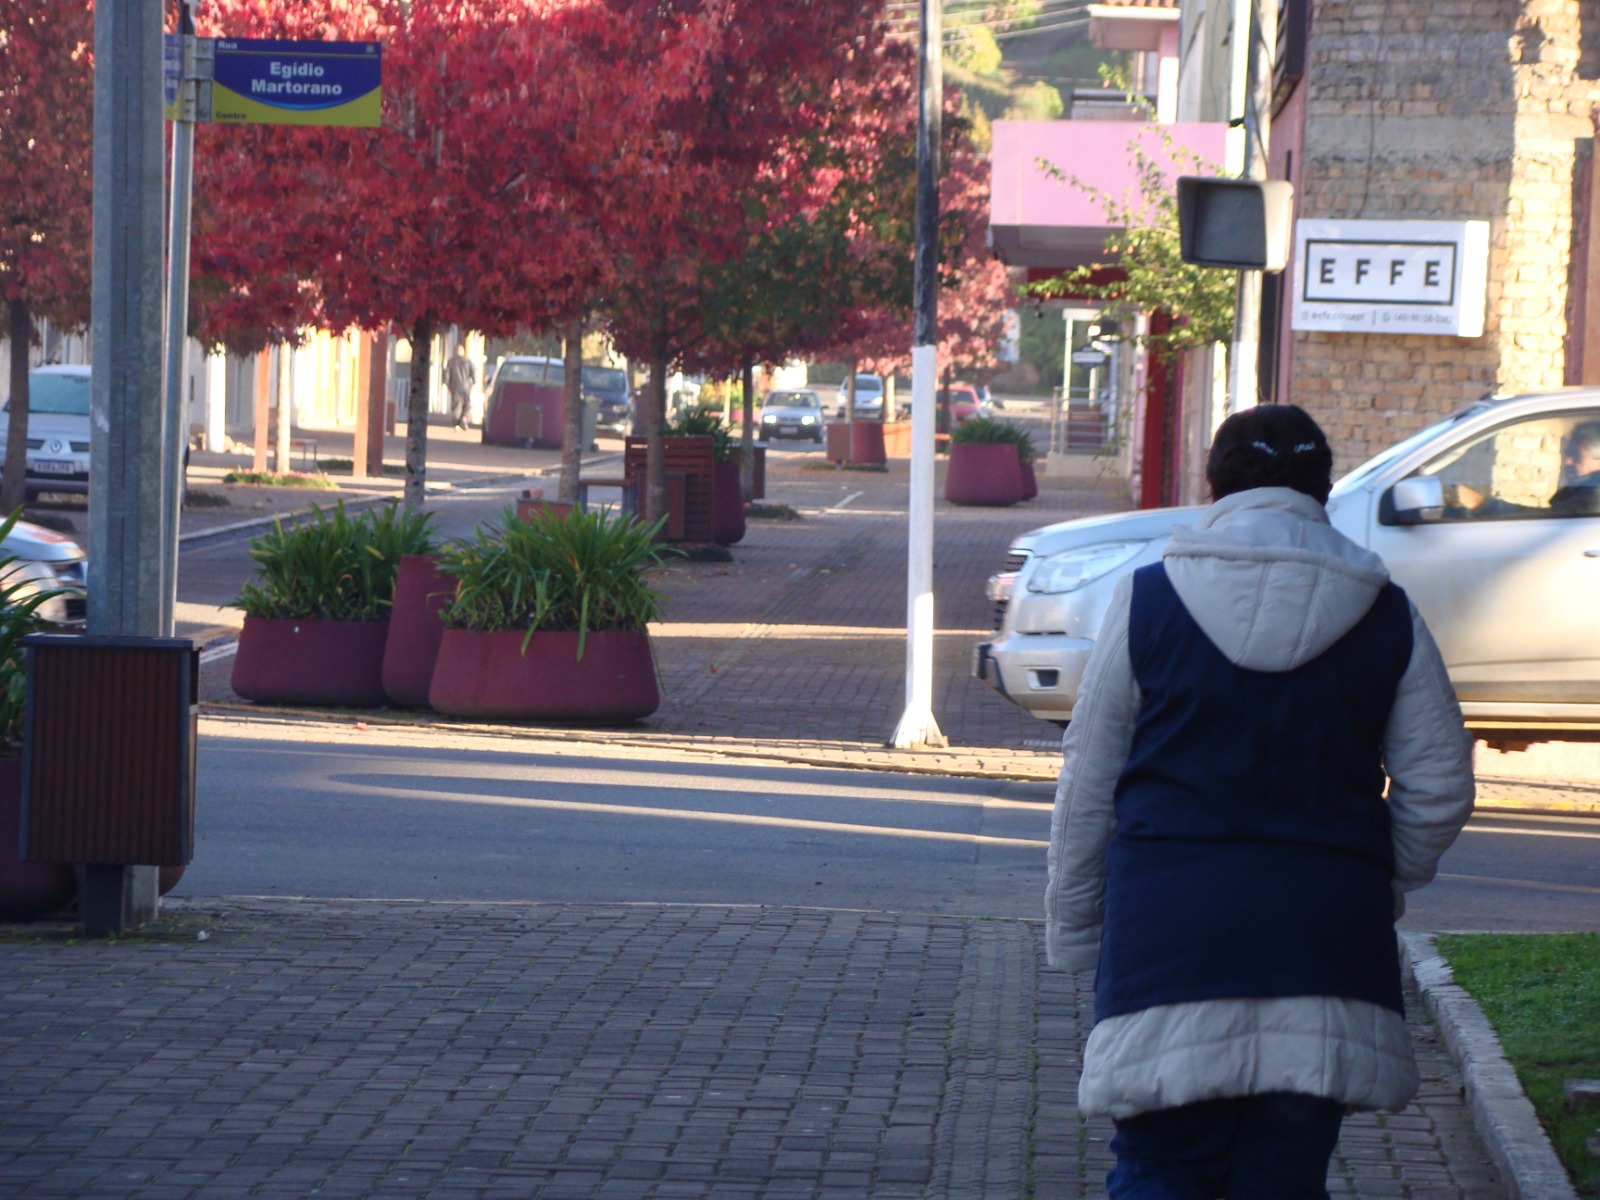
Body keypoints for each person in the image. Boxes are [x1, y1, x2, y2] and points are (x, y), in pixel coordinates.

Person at [1045, 404, 1475, 1200]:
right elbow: (1440, 785)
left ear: (1214, 485)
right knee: (1283, 1176)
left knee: (1159, 1168)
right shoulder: (1385, 613)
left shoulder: (1148, 603)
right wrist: (1374, 876)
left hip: (1166, 933)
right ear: (1323, 487)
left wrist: (1076, 930)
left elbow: (1090, 780)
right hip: (1324, 935)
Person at [1549, 419, 1600, 515]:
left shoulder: (1594, 496)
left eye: (1576, 456)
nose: (1568, 461)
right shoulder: (1577, 490)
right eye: (1568, 453)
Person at [444, 344, 476, 430]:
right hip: (466, 387)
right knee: (467, 404)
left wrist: (448, 386)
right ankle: (464, 419)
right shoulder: (468, 361)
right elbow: (474, 375)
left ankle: (456, 423)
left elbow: (446, 375)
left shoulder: (451, 361)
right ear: (463, 351)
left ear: (455, 351)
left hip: (455, 387)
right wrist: (472, 386)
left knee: (456, 405)